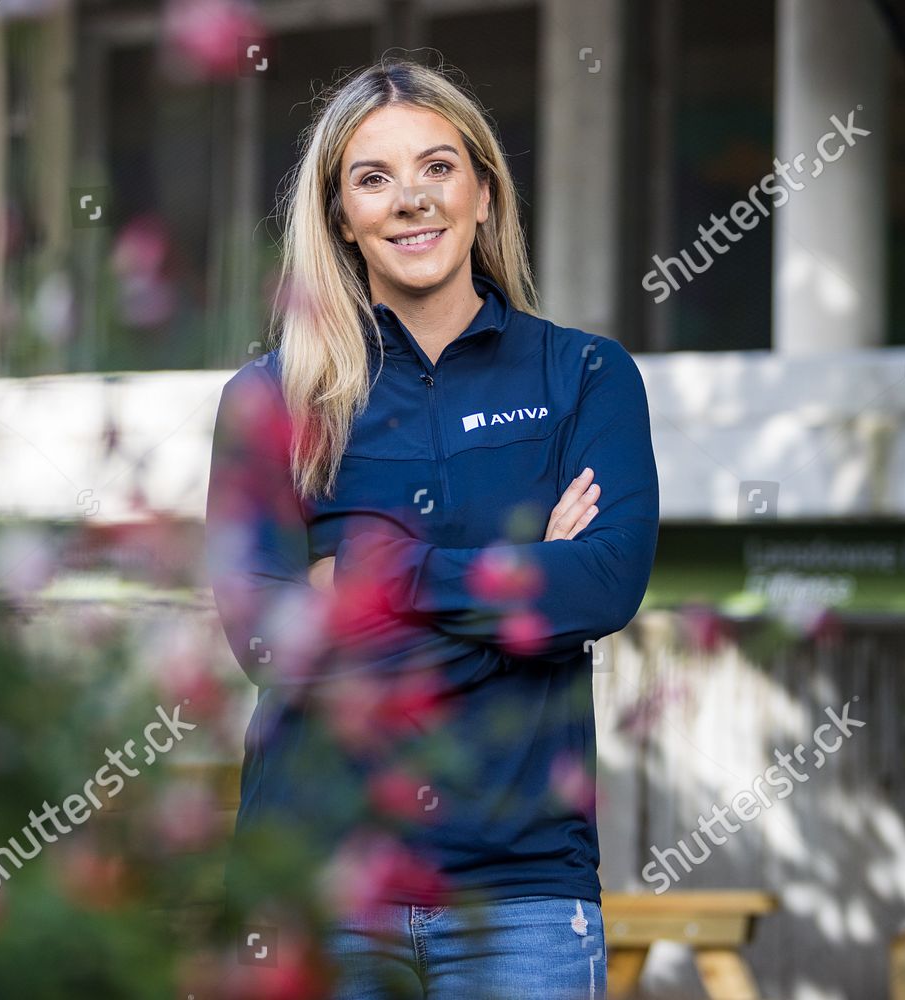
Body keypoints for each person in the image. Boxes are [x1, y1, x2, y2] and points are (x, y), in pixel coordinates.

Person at [204, 55, 659, 1000]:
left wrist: (379, 579)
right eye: (374, 179)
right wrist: (525, 586)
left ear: (484, 193)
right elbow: (270, 646)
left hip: (523, 892)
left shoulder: (584, 378)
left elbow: (607, 584)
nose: (411, 200)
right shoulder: (271, 400)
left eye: (438, 168)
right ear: (340, 217)